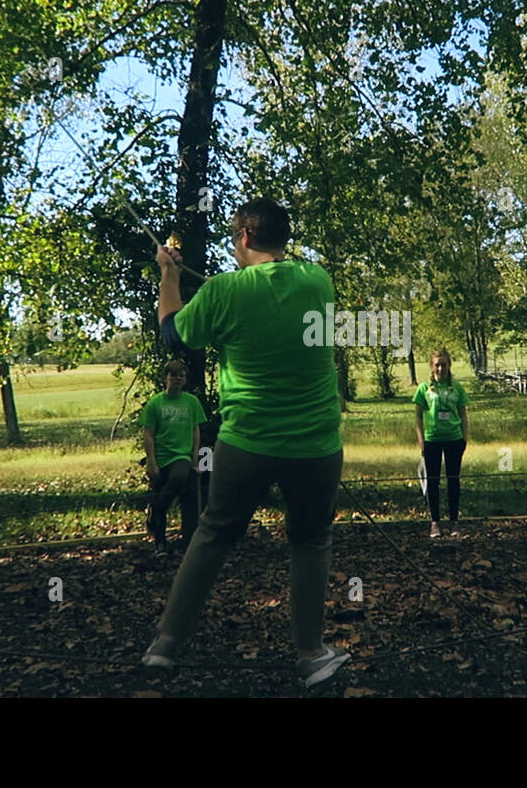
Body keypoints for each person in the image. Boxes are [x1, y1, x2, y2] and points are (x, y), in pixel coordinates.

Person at [142, 197, 349, 687]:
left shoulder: (222, 291)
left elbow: (172, 335)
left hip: (247, 443)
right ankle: (310, 654)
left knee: (213, 535)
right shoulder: (318, 279)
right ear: (282, 238)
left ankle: (165, 646)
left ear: (244, 238)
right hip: (316, 447)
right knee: (311, 539)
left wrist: (168, 275)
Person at [141, 359, 207, 556]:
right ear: (166, 378)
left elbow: (196, 431)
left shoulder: (192, 402)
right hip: (161, 457)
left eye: (181, 375)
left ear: (185, 380)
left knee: (178, 478)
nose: (177, 378)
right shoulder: (155, 403)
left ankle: (157, 508)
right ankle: (160, 545)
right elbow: (148, 434)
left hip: (181, 455)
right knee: (160, 490)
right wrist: (151, 461)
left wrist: (195, 458)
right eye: (173, 375)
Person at [412, 349, 469, 537]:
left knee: (453, 481)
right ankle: (434, 522)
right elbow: (418, 417)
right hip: (432, 440)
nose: (440, 368)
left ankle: (454, 522)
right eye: (437, 364)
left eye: (443, 364)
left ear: (449, 366)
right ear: (431, 366)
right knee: (433, 481)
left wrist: (464, 438)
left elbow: (463, 414)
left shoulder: (457, 388)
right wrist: (421, 441)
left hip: (453, 438)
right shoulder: (424, 389)